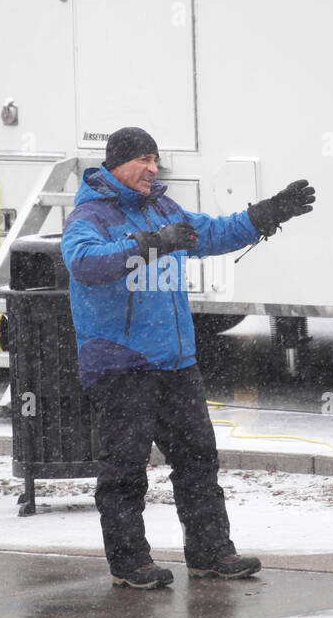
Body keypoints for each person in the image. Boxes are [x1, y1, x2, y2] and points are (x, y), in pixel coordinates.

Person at [61, 126, 315, 589]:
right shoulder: (90, 216)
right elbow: (85, 264)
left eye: (156, 160)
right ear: (117, 163)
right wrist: (152, 243)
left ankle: (211, 553)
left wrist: (269, 212)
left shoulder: (164, 208)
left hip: (176, 363)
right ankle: (129, 562)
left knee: (199, 461)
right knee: (124, 471)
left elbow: (215, 233)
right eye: (144, 160)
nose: (152, 169)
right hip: (120, 364)